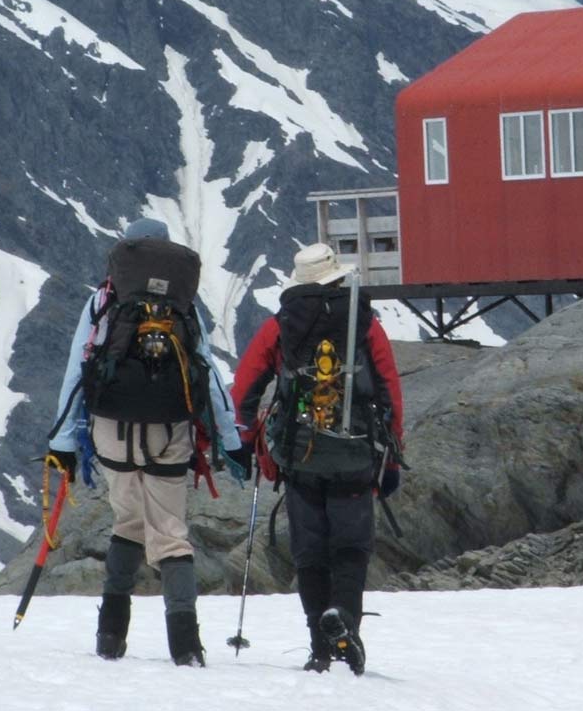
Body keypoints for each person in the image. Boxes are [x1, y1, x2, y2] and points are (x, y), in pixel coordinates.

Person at [47, 218, 246, 667]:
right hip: (167, 430)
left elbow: (78, 371)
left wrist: (63, 441)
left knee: (127, 523)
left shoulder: (103, 300)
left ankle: (110, 635)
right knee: (171, 535)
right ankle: (186, 646)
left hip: (111, 430)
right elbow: (207, 373)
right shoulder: (181, 305)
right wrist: (230, 439)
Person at [231, 242, 404, 675]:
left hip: (299, 453)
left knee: (309, 552)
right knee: (351, 548)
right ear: (336, 276)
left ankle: (319, 647)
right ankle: (343, 619)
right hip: (356, 452)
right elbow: (389, 390)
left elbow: (245, 387)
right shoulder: (364, 322)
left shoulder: (280, 325)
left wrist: (246, 438)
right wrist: (393, 458)